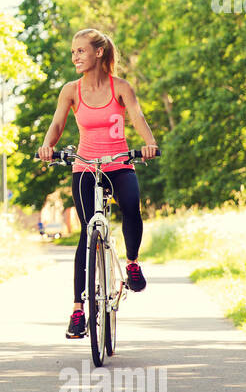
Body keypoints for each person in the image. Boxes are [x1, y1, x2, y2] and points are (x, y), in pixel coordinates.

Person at [37, 28, 157, 338]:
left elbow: (138, 116)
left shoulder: (121, 87)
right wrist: (48, 146)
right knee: (86, 232)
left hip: (119, 162)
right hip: (86, 166)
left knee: (131, 205)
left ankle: (131, 263)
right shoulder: (71, 91)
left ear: (98, 53)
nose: (75, 56)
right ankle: (78, 310)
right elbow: (58, 123)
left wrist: (149, 143)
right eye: (73, 52)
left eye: (81, 51)